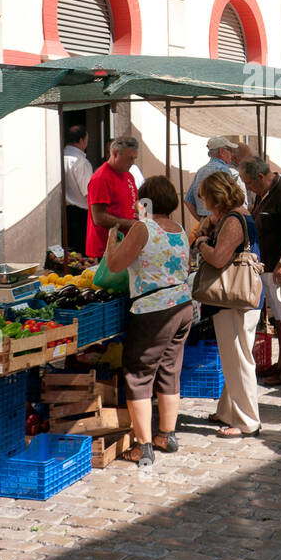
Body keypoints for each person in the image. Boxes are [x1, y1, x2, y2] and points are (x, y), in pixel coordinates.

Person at [100, 177, 192, 466]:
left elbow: (115, 265)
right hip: (182, 304)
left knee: (139, 374)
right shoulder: (181, 230)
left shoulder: (143, 228)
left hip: (153, 308)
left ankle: (144, 446)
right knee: (169, 370)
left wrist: (111, 244)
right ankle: (167, 434)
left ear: (144, 202)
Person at [192, 171, 263, 438]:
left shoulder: (233, 220)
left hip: (234, 298)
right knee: (233, 357)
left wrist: (201, 244)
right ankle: (227, 410)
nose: (205, 205)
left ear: (216, 196)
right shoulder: (239, 214)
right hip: (239, 298)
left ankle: (247, 421)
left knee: (239, 358)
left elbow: (219, 259)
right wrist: (209, 223)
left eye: (206, 199)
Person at [238, 156, 281, 387]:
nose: (247, 187)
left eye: (248, 182)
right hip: (272, 264)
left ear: (260, 177)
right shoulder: (263, 192)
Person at [85, 136, 141, 258]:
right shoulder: (101, 178)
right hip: (105, 251)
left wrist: (143, 215)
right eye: (129, 158)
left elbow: (134, 203)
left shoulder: (128, 176)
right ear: (115, 154)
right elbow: (99, 217)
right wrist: (131, 224)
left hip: (124, 246)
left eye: (134, 158)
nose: (132, 163)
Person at [185, 137, 242, 221]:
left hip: (205, 221)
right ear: (221, 152)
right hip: (221, 221)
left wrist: (202, 221)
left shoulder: (200, 171)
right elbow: (232, 200)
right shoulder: (224, 170)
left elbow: (188, 201)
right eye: (230, 150)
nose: (232, 154)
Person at [63, 124, 92, 254]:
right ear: (81, 140)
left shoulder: (60, 157)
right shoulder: (80, 161)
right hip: (81, 214)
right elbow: (88, 192)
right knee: (82, 253)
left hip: (65, 212)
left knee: (70, 253)